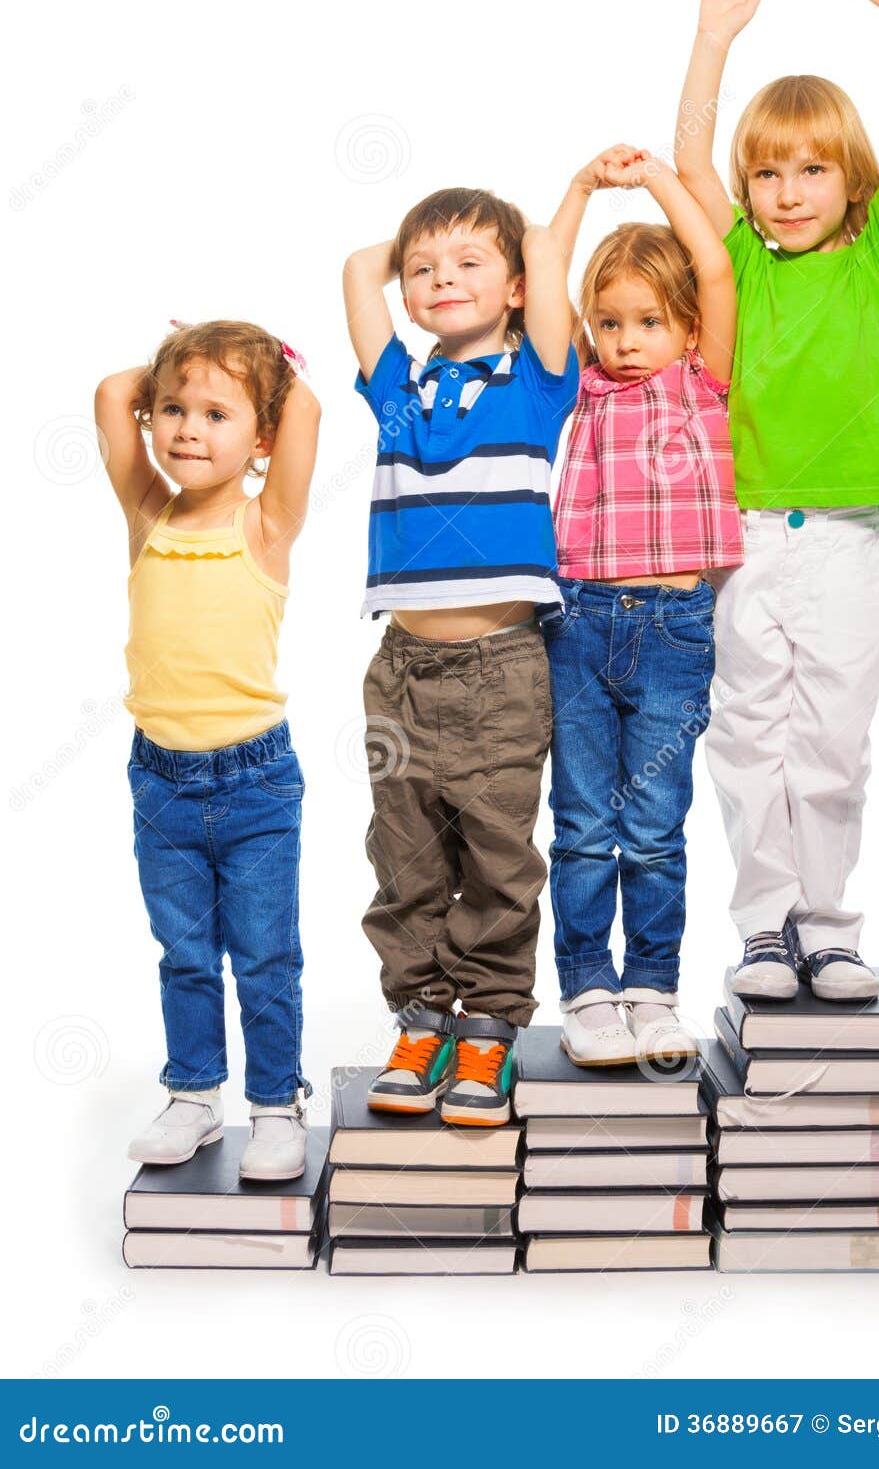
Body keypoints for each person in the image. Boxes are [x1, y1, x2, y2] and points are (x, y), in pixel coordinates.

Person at [675, 0, 879, 1001]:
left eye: (810, 171)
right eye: (768, 174)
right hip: (740, 533)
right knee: (745, 733)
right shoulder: (733, 257)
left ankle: (826, 925)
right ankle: (762, 930)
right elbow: (688, 157)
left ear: (852, 183)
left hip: (840, 536)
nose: (785, 194)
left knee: (829, 735)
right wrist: (712, 33)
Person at [343, 188, 576, 1125]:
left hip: (502, 671)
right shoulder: (398, 389)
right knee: (402, 858)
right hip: (401, 669)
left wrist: (569, 201)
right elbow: (361, 269)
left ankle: (487, 1033)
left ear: (519, 286)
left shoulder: (539, 377)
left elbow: (550, 260)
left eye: (472, 265)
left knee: (496, 859)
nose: (443, 280)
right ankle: (421, 1019)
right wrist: (418, 251)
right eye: (426, 270)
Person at [95, 320, 320, 1176]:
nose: (188, 428)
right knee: (185, 953)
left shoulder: (267, 524)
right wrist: (177, 360)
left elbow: (308, 410)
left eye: (218, 414)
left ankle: (274, 1105)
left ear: (260, 438)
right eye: (175, 410)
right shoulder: (147, 512)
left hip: (257, 777)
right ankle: (194, 1095)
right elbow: (111, 395)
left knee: (265, 956)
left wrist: (266, 362)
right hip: (161, 782)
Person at [544, 146, 741, 1065]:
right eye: (610, 321)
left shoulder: (701, 380)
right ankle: (586, 989)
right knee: (583, 823)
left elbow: (712, 263)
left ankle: (653, 988)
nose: (626, 339)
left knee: (655, 828)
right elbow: (547, 289)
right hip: (579, 623)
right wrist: (582, 190)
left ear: (689, 328)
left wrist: (661, 180)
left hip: (672, 630)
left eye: (648, 321)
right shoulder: (582, 381)